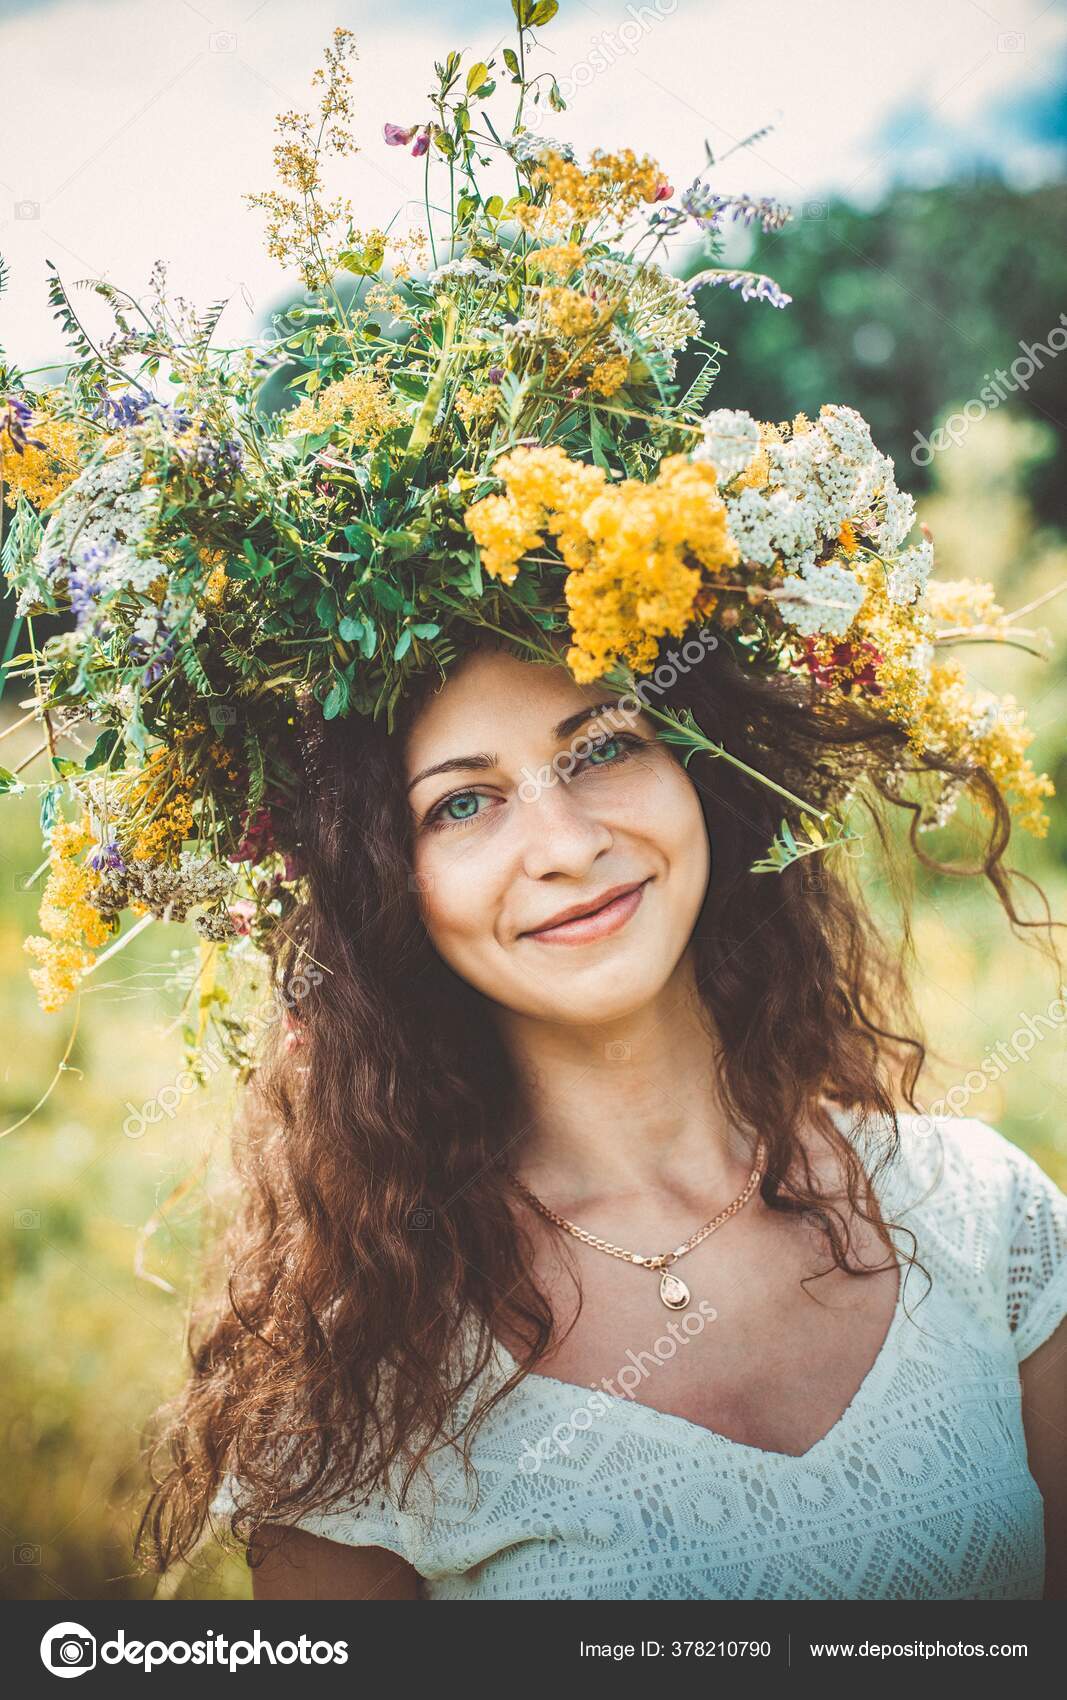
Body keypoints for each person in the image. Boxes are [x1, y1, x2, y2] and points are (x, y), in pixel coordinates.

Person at [137, 635, 1067, 1600]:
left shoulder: (981, 1214)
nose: (569, 844)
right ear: (377, 888)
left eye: (604, 749)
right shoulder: (360, 1364)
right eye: (463, 803)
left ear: (703, 772)